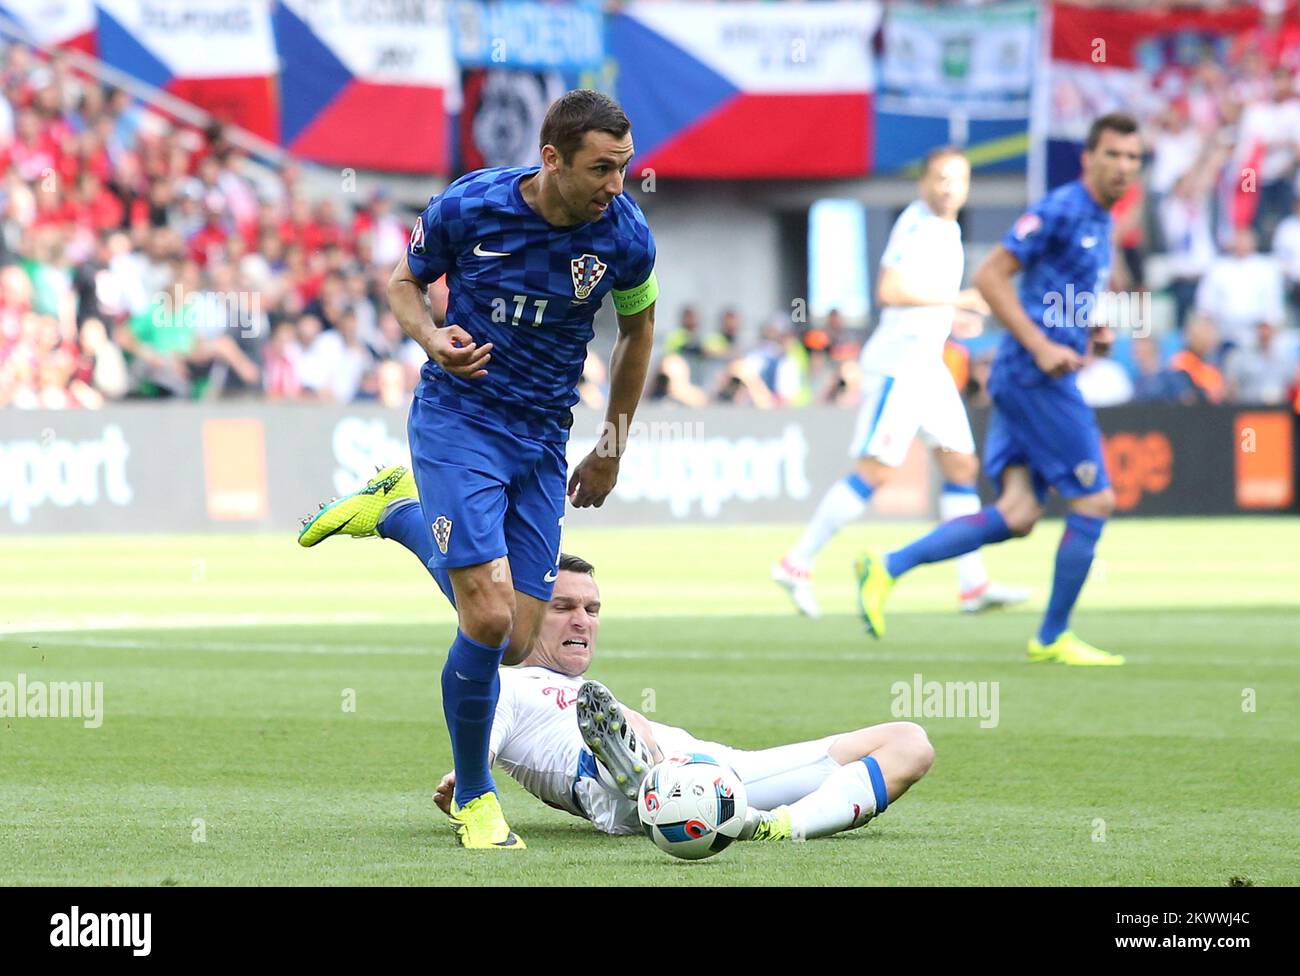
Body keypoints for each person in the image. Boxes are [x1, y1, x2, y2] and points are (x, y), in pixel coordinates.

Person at [297, 90, 658, 850]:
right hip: (461, 421)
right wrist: (431, 339)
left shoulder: (626, 237)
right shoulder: (471, 206)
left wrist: (611, 445)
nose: (616, 185)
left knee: (518, 640)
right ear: (552, 159)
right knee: (488, 616)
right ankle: (477, 798)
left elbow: (637, 332)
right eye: (601, 168)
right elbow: (402, 283)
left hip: (541, 438)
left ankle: (397, 510)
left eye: (625, 167)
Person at [854, 114, 1144, 667]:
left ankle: (887, 566)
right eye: (1113, 155)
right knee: (1096, 498)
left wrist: (1088, 332)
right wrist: (1040, 345)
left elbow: (1055, 295)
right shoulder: (1062, 208)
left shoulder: (1103, 219)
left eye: (1133, 158)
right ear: (1088, 158)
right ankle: (1053, 635)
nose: (1123, 167)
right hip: (1036, 376)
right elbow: (991, 275)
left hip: (1033, 369)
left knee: (1018, 512)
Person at [426, 553, 935, 843]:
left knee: (909, 743)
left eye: (593, 608)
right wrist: (468, 780)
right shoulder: (504, 684)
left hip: (720, 772)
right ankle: (635, 770)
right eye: (563, 607)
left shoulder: (580, 690)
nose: (583, 620)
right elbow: (479, 748)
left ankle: (776, 827)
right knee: (620, 720)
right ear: (531, 613)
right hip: (597, 783)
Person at [773, 146, 1025, 617]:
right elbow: (890, 291)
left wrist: (953, 317)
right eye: (942, 178)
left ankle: (972, 585)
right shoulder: (916, 221)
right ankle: (797, 563)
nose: (950, 187)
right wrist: (957, 299)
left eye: (959, 180)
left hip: (928, 365)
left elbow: (926, 304)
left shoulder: (948, 229)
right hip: (900, 367)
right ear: (924, 183)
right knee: (876, 472)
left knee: (961, 467)